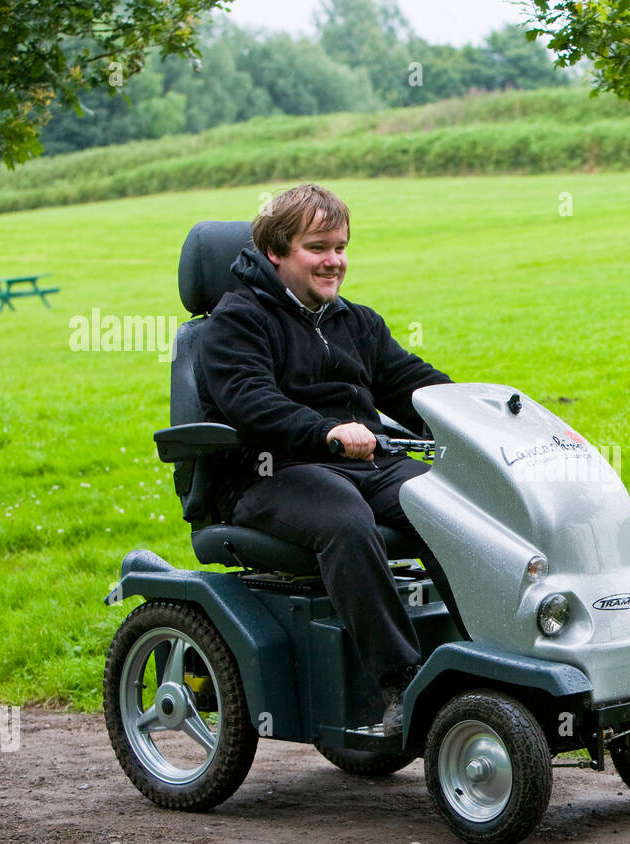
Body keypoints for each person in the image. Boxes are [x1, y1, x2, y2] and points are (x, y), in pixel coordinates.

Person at [195, 184, 455, 736]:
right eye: (317, 247)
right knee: (344, 519)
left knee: (450, 506)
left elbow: (412, 384)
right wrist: (328, 432)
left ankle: (484, 652)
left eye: (340, 247)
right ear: (276, 251)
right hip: (268, 474)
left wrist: (480, 415)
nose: (333, 261)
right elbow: (251, 404)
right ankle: (402, 683)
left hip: (363, 465)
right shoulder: (235, 322)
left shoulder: (354, 321)